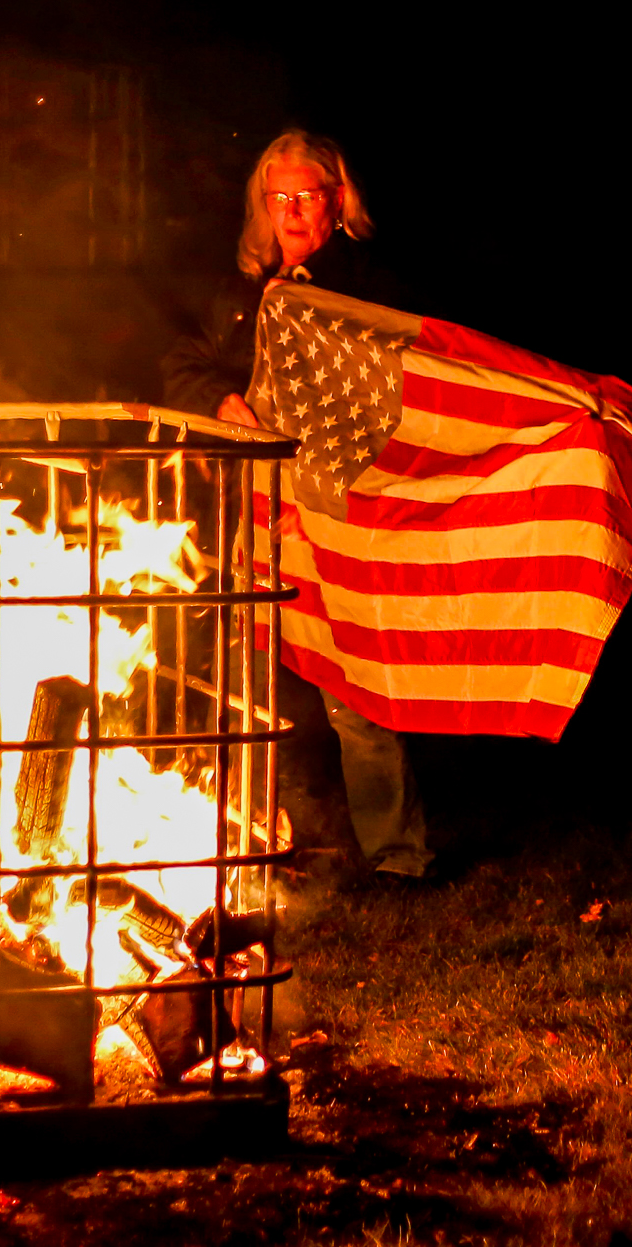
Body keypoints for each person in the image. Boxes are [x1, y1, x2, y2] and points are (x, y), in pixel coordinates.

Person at [162, 130, 434, 882]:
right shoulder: (240, 294)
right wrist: (221, 397)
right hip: (245, 512)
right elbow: (184, 359)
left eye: (304, 195)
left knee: (353, 689)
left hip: (335, 512)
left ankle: (397, 855)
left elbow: (393, 394)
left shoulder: (369, 286)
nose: (288, 210)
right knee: (243, 682)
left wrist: (318, 481)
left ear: (337, 199)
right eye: (274, 197)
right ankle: (251, 841)